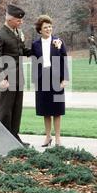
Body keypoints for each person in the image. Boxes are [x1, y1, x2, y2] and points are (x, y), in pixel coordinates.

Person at [0, 4, 32, 147]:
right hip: (7, 79)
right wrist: (0, 78)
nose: (21, 22)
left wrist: (43, 47)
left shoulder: (17, 33)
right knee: (5, 110)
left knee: (16, 109)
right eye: (18, 20)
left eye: (21, 20)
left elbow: (23, 51)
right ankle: (0, 140)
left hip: (18, 78)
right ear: (9, 19)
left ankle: (14, 138)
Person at [31, 15, 69, 147]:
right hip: (42, 79)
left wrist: (65, 78)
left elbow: (64, 60)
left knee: (57, 110)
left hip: (56, 79)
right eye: (45, 27)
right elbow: (34, 63)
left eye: (50, 26)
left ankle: (58, 138)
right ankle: (48, 137)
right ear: (40, 30)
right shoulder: (35, 44)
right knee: (45, 110)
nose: (48, 29)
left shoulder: (58, 41)